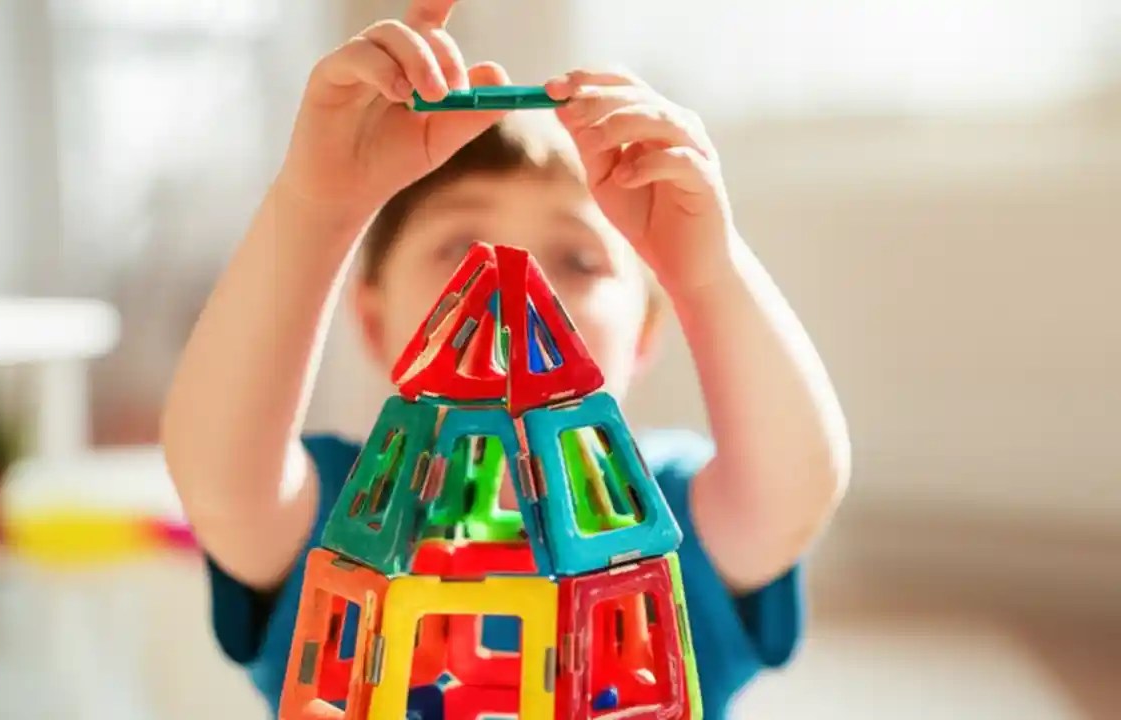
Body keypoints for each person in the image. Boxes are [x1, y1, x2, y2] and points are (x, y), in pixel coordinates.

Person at [162, 1, 850, 717]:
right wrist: (317, 205)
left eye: (577, 259)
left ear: (645, 333)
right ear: (372, 322)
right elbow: (219, 477)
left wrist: (708, 272)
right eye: (462, 248)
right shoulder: (337, 511)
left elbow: (794, 489)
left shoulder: (667, 516)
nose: (517, 281)